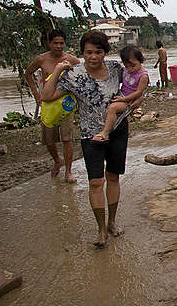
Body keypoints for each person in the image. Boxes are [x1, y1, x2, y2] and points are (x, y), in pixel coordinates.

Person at [41, 31, 139, 248]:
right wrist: (57, 70)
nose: (93, 57)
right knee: (95, 182)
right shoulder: (73, 75)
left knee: (113, 177)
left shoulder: (115, 68)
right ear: (82, 53)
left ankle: (112, 222)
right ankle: (101, 229)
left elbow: (138, 78)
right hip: (90, 135)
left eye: (98, 52)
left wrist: (136, 100)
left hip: (118, 130)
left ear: (105, 52)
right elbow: (46, 96)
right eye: (89, 52)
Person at [24, 28, 81, 183]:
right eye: (55, 43)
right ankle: (57, 160)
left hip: (66, 104)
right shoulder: (41, 59)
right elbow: (28, 73)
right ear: (49, 43)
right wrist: (36, 94)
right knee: (49, 139)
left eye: (61, 43)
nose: (58, 46)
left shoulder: (72, 60)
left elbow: (82, 76)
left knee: (67, 138)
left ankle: (68, 172)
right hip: (48, 103)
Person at [92, 45, 149, 142]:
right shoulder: (125, 70)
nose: (130, 69)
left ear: (141, 60)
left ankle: (105, 133)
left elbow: (139, 92)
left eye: (133, 65)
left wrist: (124, 99)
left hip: (129, 100)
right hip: (122, 95)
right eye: (127, 66)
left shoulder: (143, 76)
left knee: (113, 109)